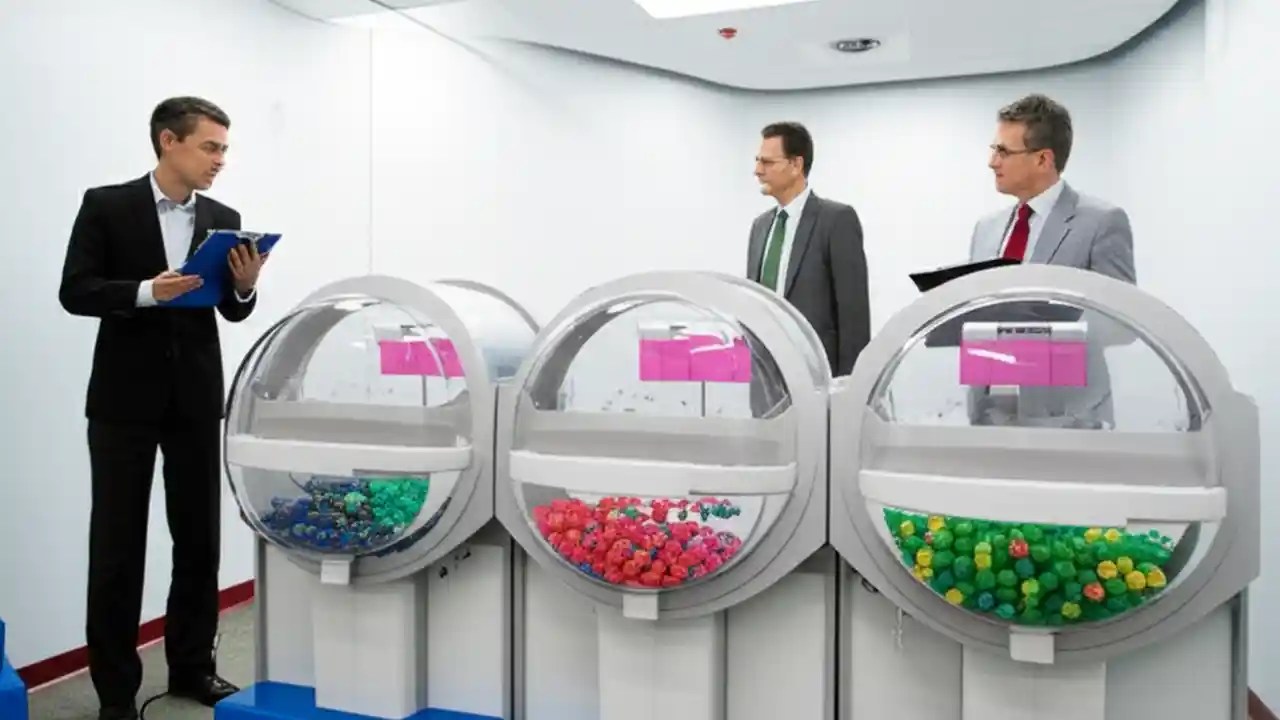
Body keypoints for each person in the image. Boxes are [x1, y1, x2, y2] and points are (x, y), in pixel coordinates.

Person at [58, 96, 266, 720]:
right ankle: (116, 695)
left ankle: (192, 670)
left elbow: (230, 307)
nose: (220, 160)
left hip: (198, 400)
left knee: (199, 541)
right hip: (123, 401)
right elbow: (76, 291)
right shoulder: (107, 205)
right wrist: (148, 292)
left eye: (225, 149)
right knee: (117, 548)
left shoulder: (225, 217)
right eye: (211, 146)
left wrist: (248, 285)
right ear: (168, 141)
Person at [967, 93, 1135, 427]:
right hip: (990, 415)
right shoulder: (985, 229)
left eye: (1003, 151)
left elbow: (1121, 325)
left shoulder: (1102, 222)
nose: (992, 161)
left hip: (1068, 418)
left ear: (1043, 159)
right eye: (993, 149)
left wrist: (1028, 353)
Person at [747, 121, 870, 378]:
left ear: (796, 165)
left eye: (767, 163)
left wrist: (849, 388)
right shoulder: (760, 227)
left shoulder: (836, 220)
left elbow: (853, 319)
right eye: (758, 161)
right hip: (767, 380)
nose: (757, 171)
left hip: (819, 380)